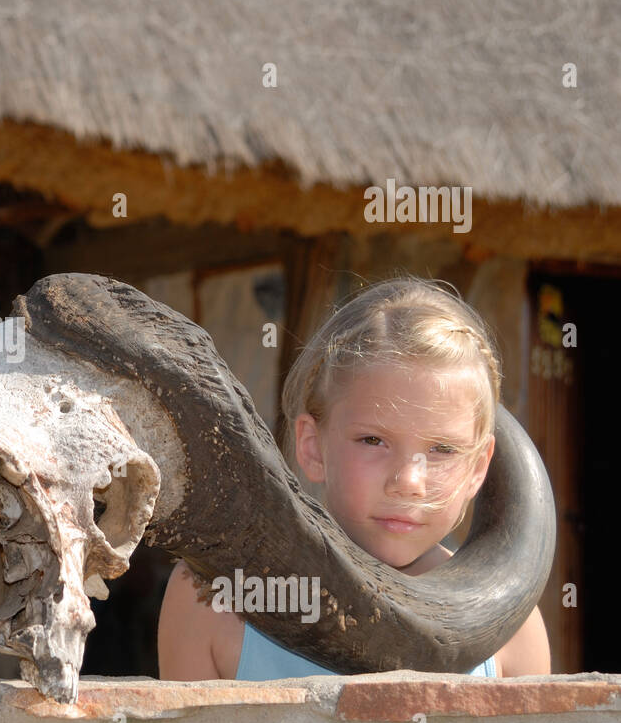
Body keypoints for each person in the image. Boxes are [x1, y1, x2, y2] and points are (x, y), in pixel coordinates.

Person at [158, 274, 551, 681]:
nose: (408, 480)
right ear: (312, 447)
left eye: (443, 450)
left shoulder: (510, 626)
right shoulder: (215, 600)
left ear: (478, 468)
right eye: (373, 440)